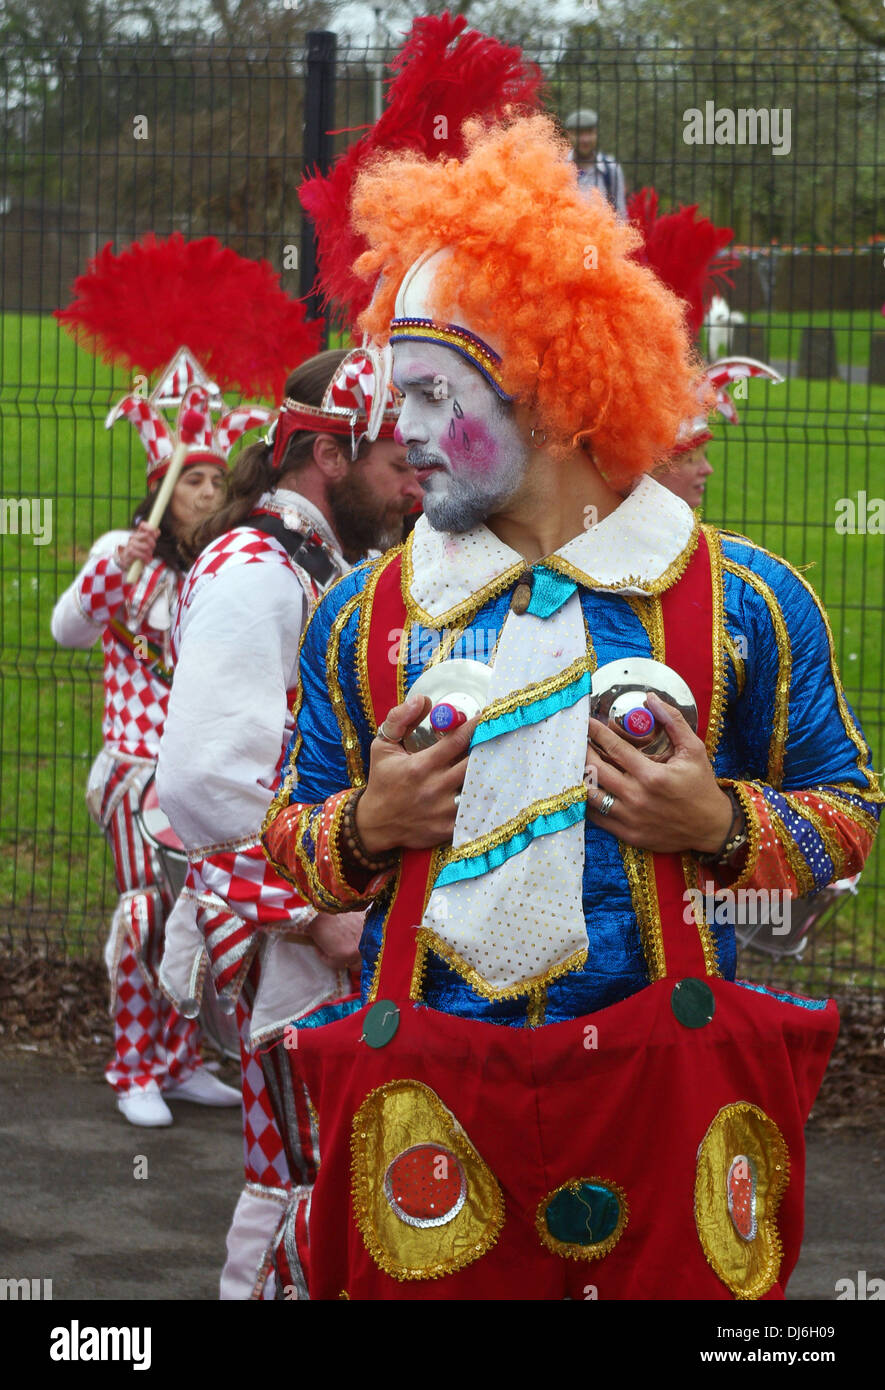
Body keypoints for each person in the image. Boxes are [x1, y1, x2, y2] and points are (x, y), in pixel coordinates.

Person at [260, 114, 881, 1301]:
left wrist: (723, 826)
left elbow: (846, 814)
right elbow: (297, 844)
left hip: (665, 1099)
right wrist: (368, 825)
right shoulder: (367, 614)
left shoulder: (742, 600)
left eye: (435, 394)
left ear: (546, 381)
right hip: (428, 1102)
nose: (406, 435)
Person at [156, 346, 421, 1299]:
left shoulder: (313, 560)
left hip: (332, 924)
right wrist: (317, 916)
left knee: (332, 1180)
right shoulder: (257, 571)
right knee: (299, 1183)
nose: (415, 490)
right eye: (398, 466)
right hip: (301, 947)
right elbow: (199, 783)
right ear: (333, 457)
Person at [50, 373, 242, 1128]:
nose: (203, 490)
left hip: (192, 773)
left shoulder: (222, 570)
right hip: (132, 770)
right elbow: (69, 631)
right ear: (162, 488)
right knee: (142, 913)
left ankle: (181, 1060)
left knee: (191, 912)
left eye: (215, 480)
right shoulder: (122, 558)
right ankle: (132, 1066)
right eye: (190, 478)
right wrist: (110, 570)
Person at [565, 107, 627, 217]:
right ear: (569, 135)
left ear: (596, 133)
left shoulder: (611, 168)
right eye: (579, 133)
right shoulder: (557, 166)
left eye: (589, 133)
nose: (585, 139)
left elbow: (620, 215)